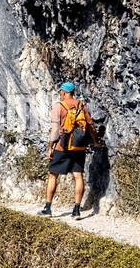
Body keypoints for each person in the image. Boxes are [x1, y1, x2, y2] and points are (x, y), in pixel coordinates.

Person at [38, 81, 96, 218]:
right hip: (78, 146)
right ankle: (76, 211)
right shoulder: (82, 105)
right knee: (78, 175)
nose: (60, 94)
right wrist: (95, 142)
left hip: (62, 147)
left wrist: (50, 148)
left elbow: (55, 130)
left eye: (60, 92)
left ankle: (48, 208)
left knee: (53, 175)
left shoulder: (59, 107)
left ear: (63, 92)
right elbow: (90, 125)